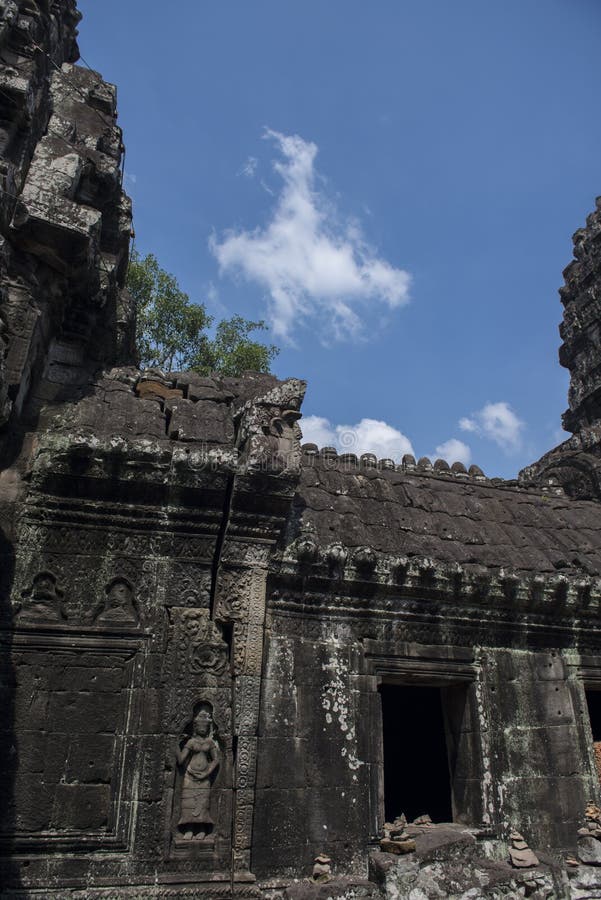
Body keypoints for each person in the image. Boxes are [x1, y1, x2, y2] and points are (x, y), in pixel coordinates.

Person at [176, 702, 221, 840]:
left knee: (203, 802)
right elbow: (181, 760)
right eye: (200, 726)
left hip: (204, 777)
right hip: (190, 776)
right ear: (195, 727)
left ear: (208, 728)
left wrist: (207, 772)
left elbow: (216, 759)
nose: (203, 729)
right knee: (188, 802)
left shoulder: (209, 743)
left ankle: (202, 828)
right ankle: (189, 828)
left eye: (205, 727)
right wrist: (176, 745)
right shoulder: (191, 742)